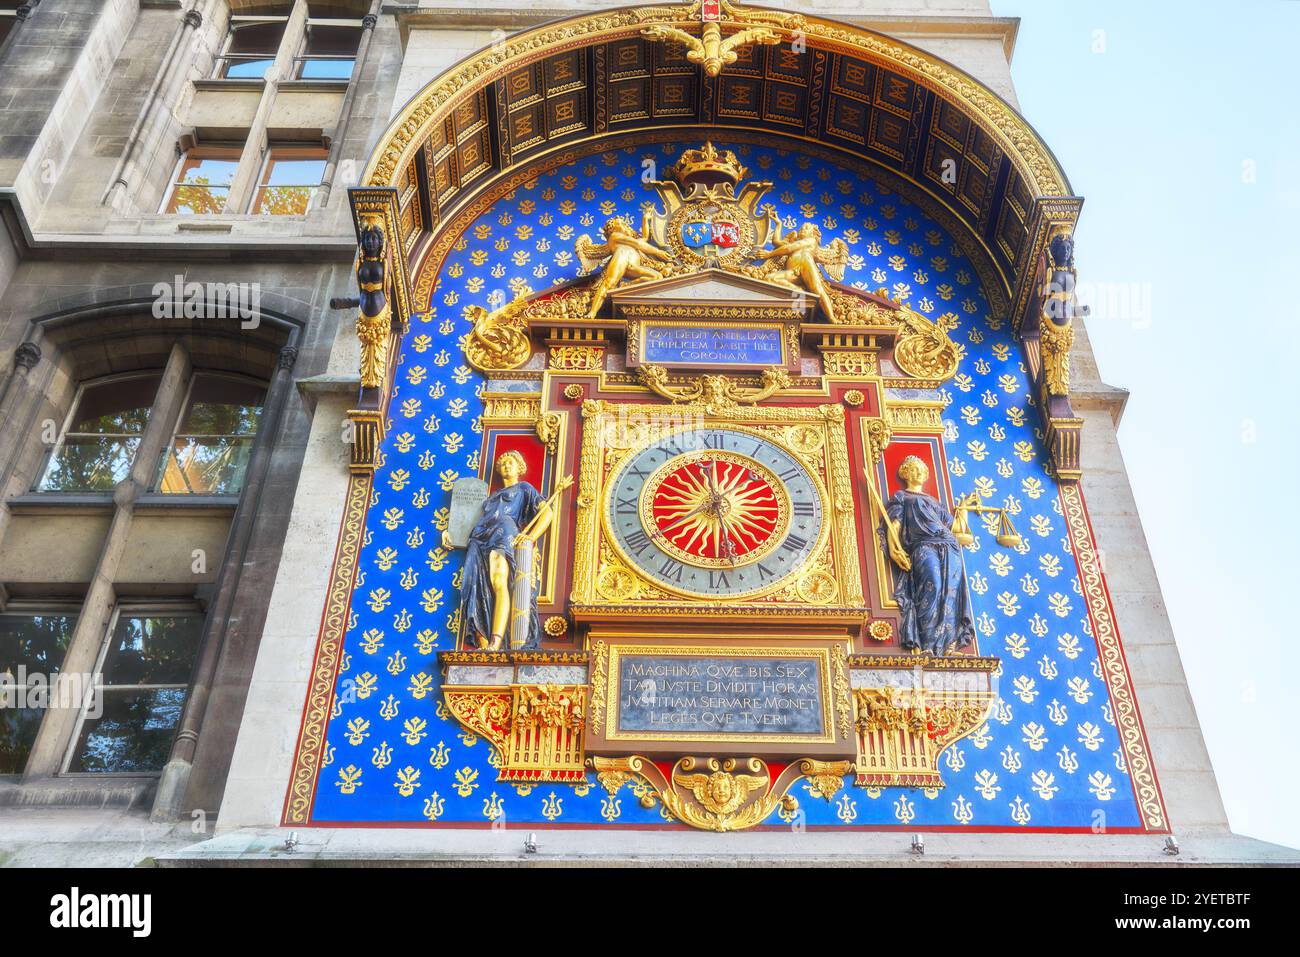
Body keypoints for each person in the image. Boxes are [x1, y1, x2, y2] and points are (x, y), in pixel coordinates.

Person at [880, 455, 976, 656]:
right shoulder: (902, 497)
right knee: (933, 587)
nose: (920, 472)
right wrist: (893, 548)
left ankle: (947, 646)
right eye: (914, 468)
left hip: (950, 547)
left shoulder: (934, 502)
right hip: (924, 546)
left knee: (950, 593)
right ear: (905, 473)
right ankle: (928, 645)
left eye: (922, 469)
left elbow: (956, 527)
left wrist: (964, 508)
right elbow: (894, 524)